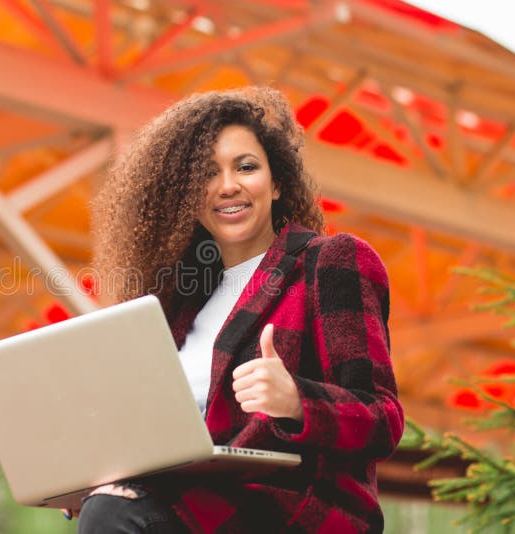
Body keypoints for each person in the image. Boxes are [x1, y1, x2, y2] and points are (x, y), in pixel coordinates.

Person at [65, 86, 404, 533]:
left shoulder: (330, 261)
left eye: (246, 167)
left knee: (113, 514)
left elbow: (382, 418)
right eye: (207, 173)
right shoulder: (177, 304)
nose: (228, 186)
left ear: (277, 181)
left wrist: (298, 401)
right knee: (107, 505)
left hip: (288, 517)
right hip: (195, 510)